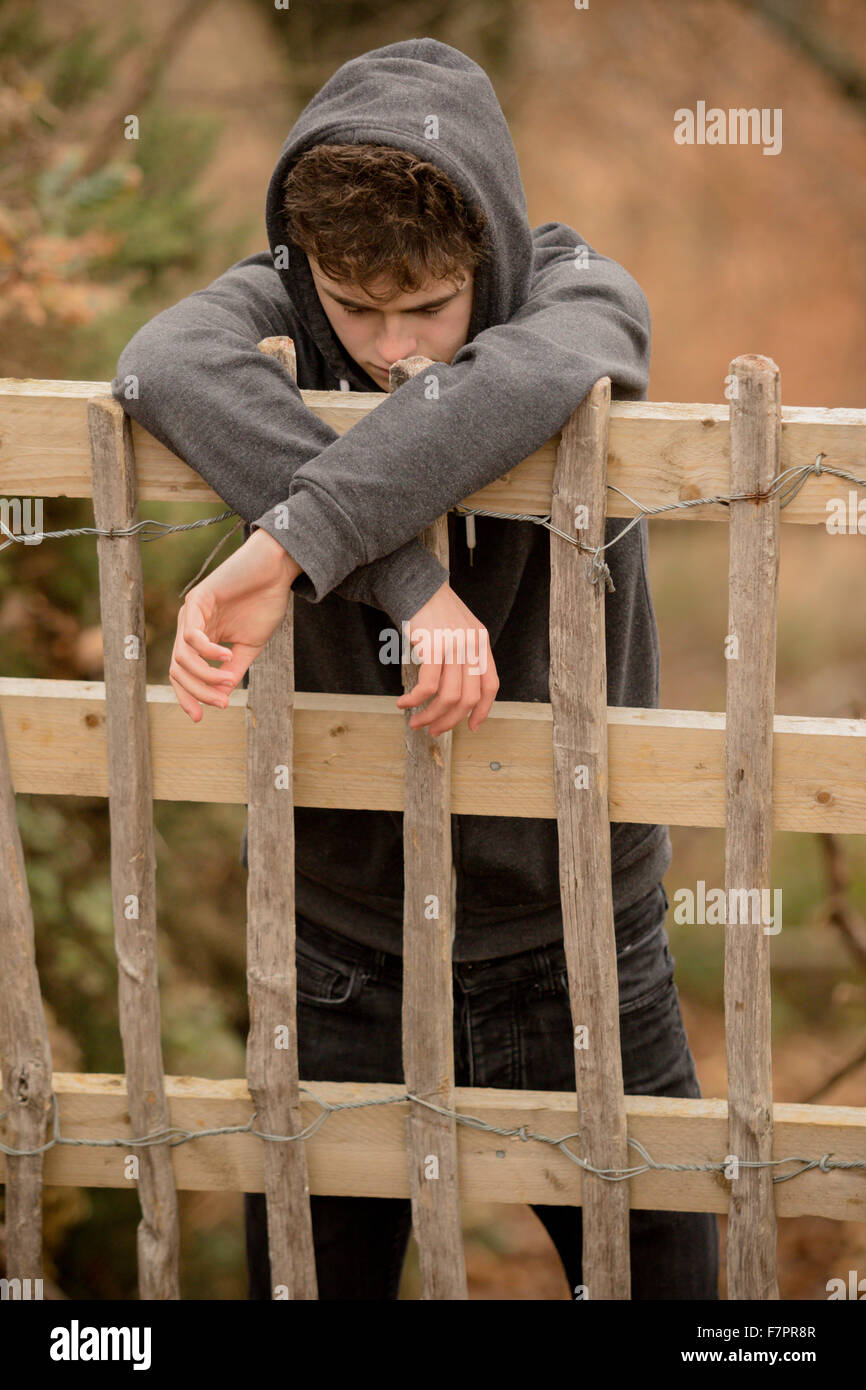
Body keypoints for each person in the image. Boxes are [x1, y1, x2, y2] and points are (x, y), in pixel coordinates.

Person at [112, 37, 718, 1300]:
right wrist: (406, 578)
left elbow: (557, 363)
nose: (389, 349)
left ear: (485, 262)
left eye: (427, 308)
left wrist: (289, 540)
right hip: (341, 939)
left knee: (675, 1287)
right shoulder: (275, 309)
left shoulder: (569, 291)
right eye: (356, 308)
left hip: (577, 935)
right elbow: (159, 362)